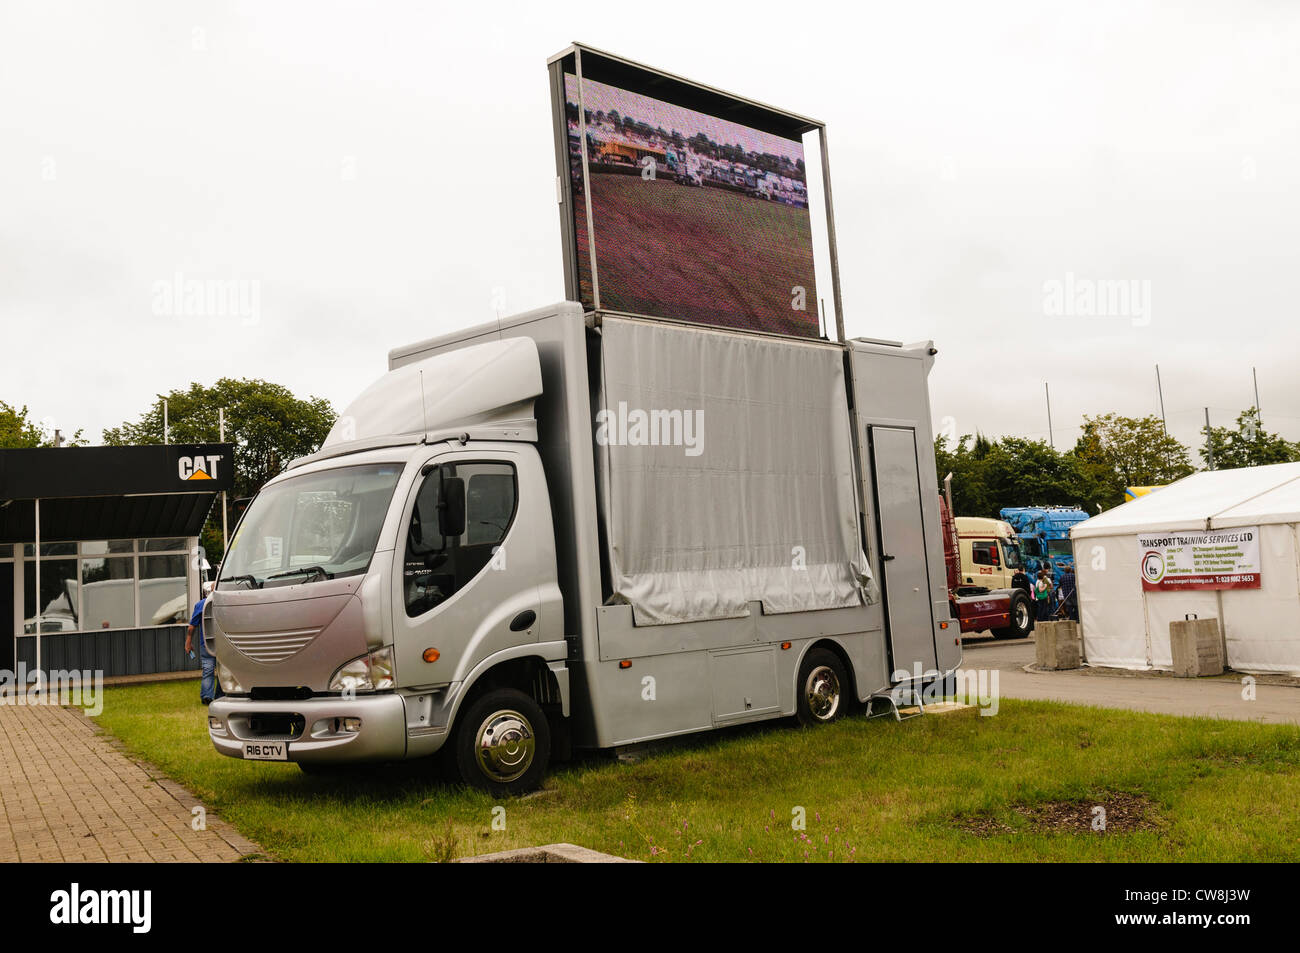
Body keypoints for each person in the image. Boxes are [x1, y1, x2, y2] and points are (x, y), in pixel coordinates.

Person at [185, 581, 223, 705]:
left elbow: (191, 627)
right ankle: (220, 696)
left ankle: (207, 696)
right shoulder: (225, 603)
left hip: (206, 644)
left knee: (208, 670)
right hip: (224, 644)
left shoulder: (201, 605)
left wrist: (188, 642)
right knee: (224, 670)